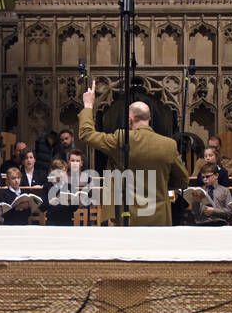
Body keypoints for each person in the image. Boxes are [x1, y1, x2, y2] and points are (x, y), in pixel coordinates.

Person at [77, 80, 189, 226]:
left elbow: (87, 134)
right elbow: (183, 180)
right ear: (149, 120)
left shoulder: (121, 139)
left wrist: (88, 106)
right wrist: (159, 184)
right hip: (160, 219)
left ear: (130, 120)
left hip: (130, 219)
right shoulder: (169, 145)